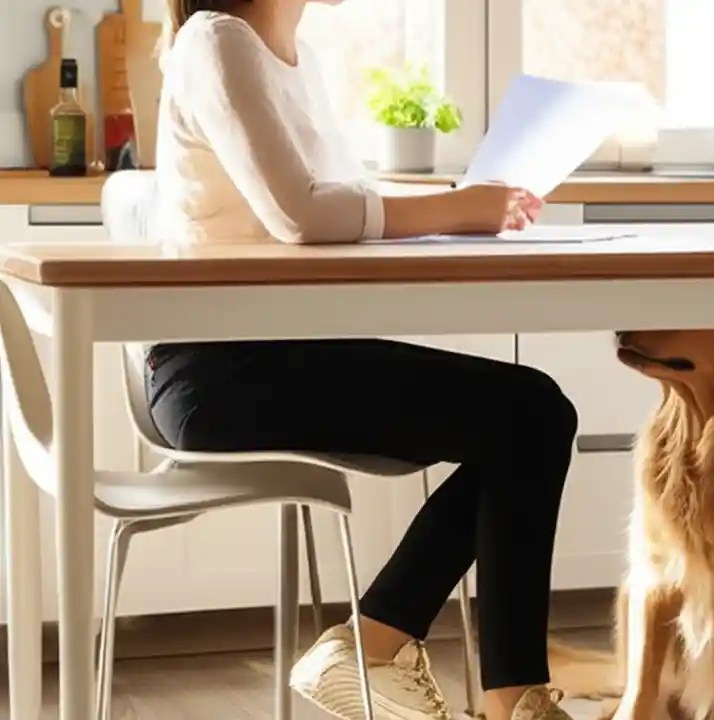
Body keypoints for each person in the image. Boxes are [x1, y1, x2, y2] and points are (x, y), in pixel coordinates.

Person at [152, 2, 578, 719]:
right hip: (220, 371)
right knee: (530, 415)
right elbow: (302, 217)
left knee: (529, 418)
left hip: (290, 351)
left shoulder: (294, 56)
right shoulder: (215, 41)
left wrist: (465, 202)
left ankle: (401, 657)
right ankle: (486, 690)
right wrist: (456, 209)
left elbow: (345, 200)